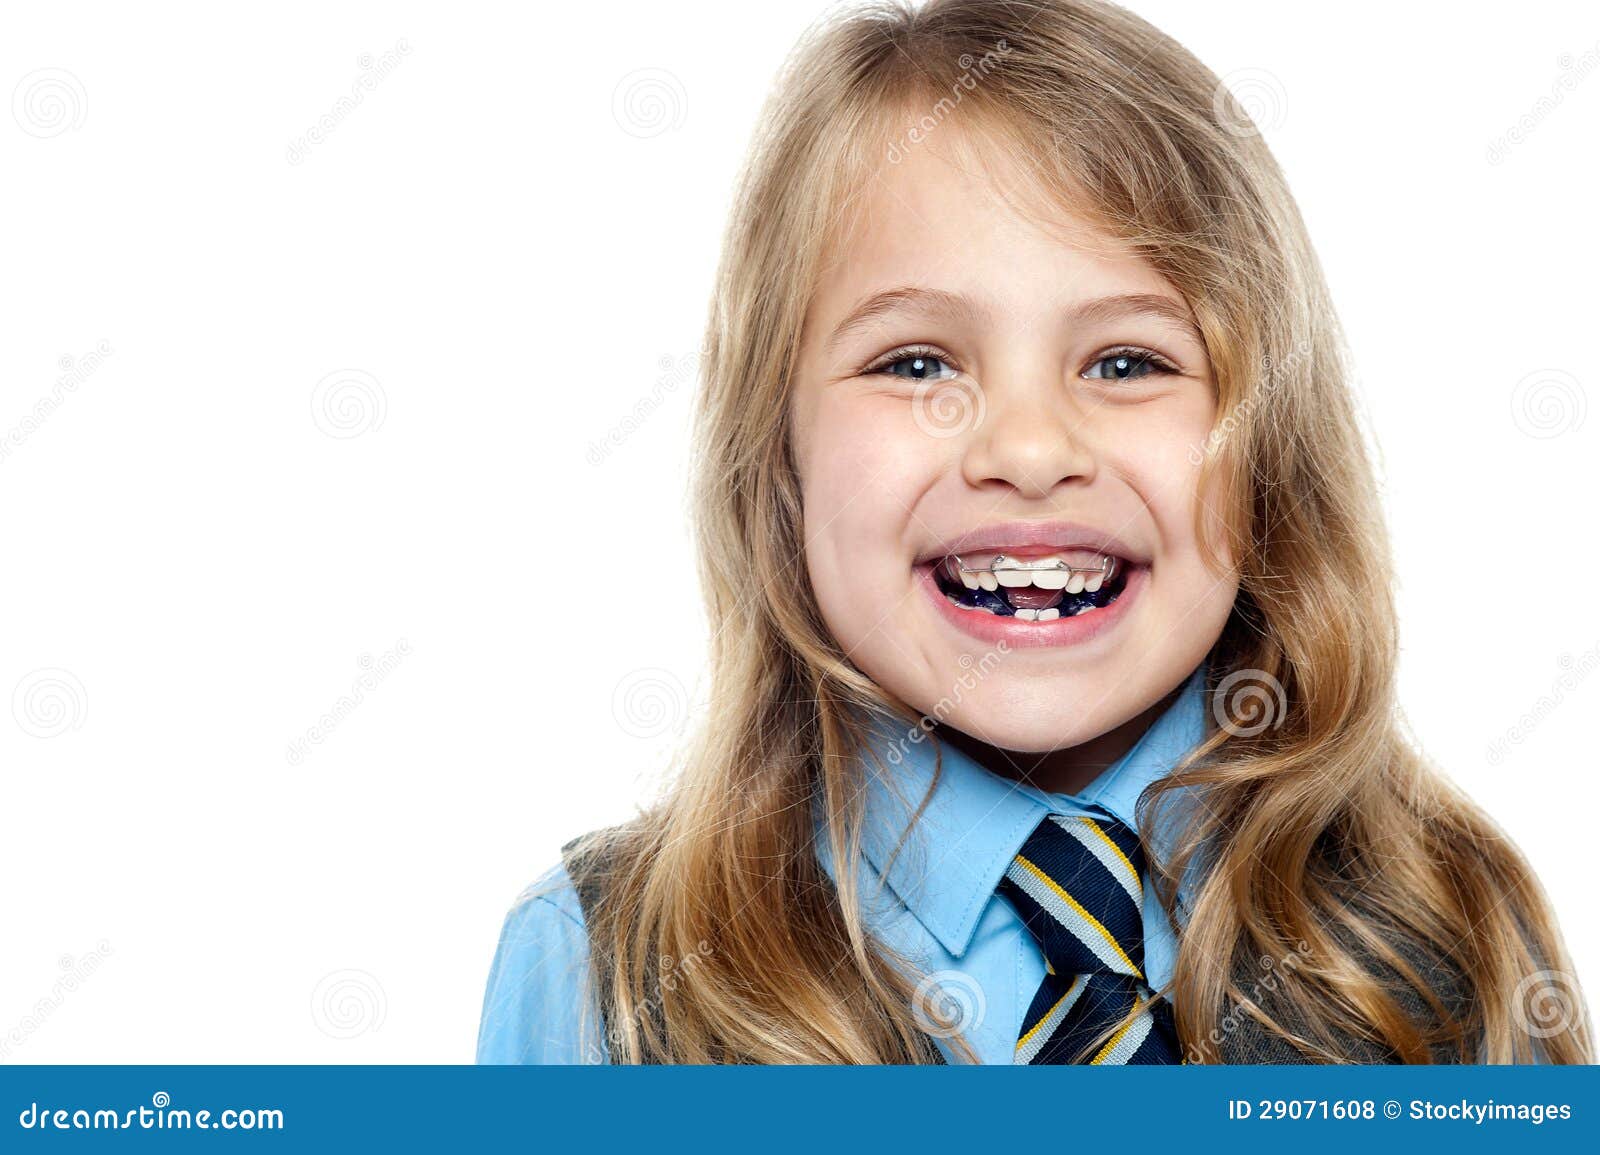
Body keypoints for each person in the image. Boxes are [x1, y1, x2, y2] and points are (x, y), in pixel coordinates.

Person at [476, 0, 1592, 1064]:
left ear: (1267, 454)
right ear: (779, 453)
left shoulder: (1453, 929)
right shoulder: (595, 971)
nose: (1026, 447)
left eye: (1128, 362)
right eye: (917, 363)